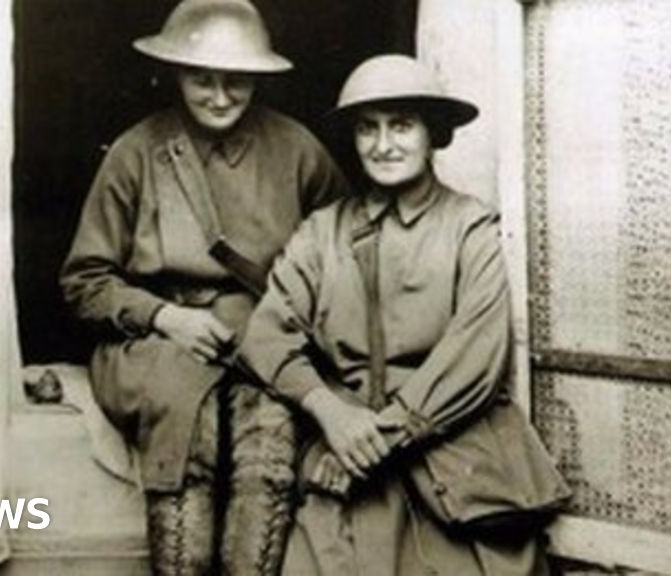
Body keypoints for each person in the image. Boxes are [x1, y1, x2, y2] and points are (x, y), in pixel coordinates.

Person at [240, 54, 569, 576]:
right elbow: (264, 337)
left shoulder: (470, 227)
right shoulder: (322, 233)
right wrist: (330, 412)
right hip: (349, 456)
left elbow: (474, 360)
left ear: (432, 133)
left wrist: (376, 438)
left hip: (453, 460)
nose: (384, 144)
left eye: (402, 125)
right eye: (368, 128)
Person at [60, 1, 348, 574]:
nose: (219, 96)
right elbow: (84, 283)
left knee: (267, 437)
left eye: (235, 81)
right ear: (176, 75)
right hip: (154, 344)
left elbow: (344, 266)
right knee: (186, 429)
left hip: (261, 342)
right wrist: (166, 318)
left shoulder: (298, 151)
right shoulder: (135, 152)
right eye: (201, 80)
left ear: (257, 80)